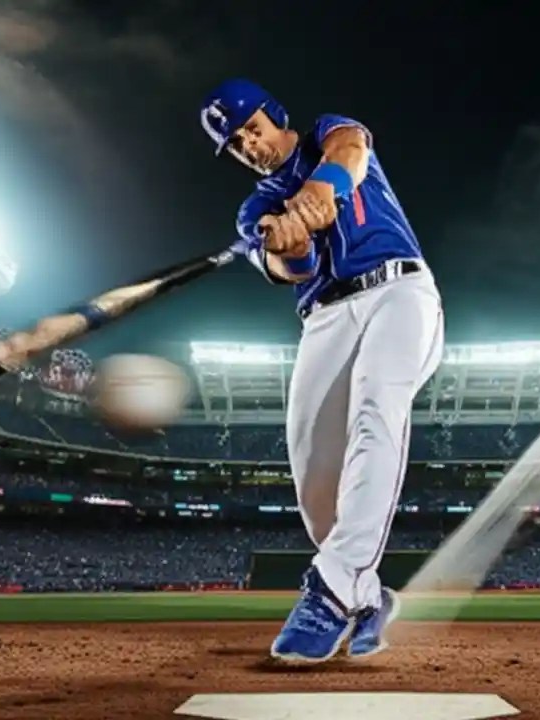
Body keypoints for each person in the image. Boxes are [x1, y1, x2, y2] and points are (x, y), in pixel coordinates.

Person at [201, 78, 444, 663]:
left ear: (273, 113)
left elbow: (351, 152)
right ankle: (367, 596)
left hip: (398, 291)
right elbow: (291, 268)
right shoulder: (254, 208)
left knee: (375, 407)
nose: (248, 145)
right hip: (325, 318)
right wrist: (288, 240)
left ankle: (330, 592)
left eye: (250, 128)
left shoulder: (325, 133)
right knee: (314, 484)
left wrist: (319, 191)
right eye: (235, 144)